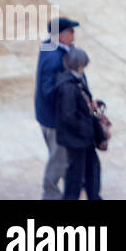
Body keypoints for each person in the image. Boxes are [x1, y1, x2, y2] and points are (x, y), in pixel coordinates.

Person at [33, 15, 80, 199]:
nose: (73, 33)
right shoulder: (53, 58)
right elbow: (48, 91)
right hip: (54, 120)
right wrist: (67, 107)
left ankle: (73, 185)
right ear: (59, 36)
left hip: (59, 117)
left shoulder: (65, 49)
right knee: (58, 158)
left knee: (66, 155)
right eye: (70, 31)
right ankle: (50, 194)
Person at [54, 47, 101, 200]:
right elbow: (68, 116)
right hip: (76, 139)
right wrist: (86, 129)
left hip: (81, 138)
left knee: (92, 168)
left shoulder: (75, 81)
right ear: (80, 66)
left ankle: (94, 196)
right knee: (75, 174)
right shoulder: (68, 87)